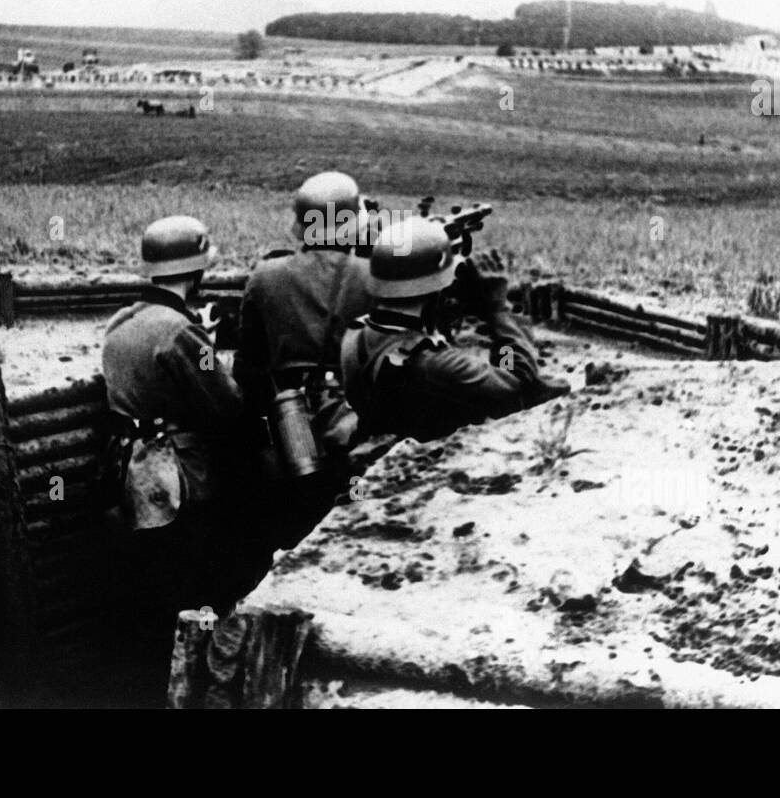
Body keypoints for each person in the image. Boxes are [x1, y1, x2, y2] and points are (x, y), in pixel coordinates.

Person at [99, 215, 266, 695]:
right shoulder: (180, 332)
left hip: (132, 475)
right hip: (181, 480)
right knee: (198, 583)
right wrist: (208, 344)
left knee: (149, 585)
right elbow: (227, 403)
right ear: (196, 273)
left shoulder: (120, 322)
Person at [234, 171, 375, 543]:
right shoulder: (375, 277)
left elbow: (247, 367)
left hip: (290, 428)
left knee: (292, 529)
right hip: (356, 427)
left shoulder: (266, 276)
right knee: (354, 525)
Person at [341, 216, 569, 444]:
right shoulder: (435, 362)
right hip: (427, 456)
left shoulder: (356, 333)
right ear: (434, 287)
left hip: (387, 440)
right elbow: (517, 381)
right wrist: (498, 311)